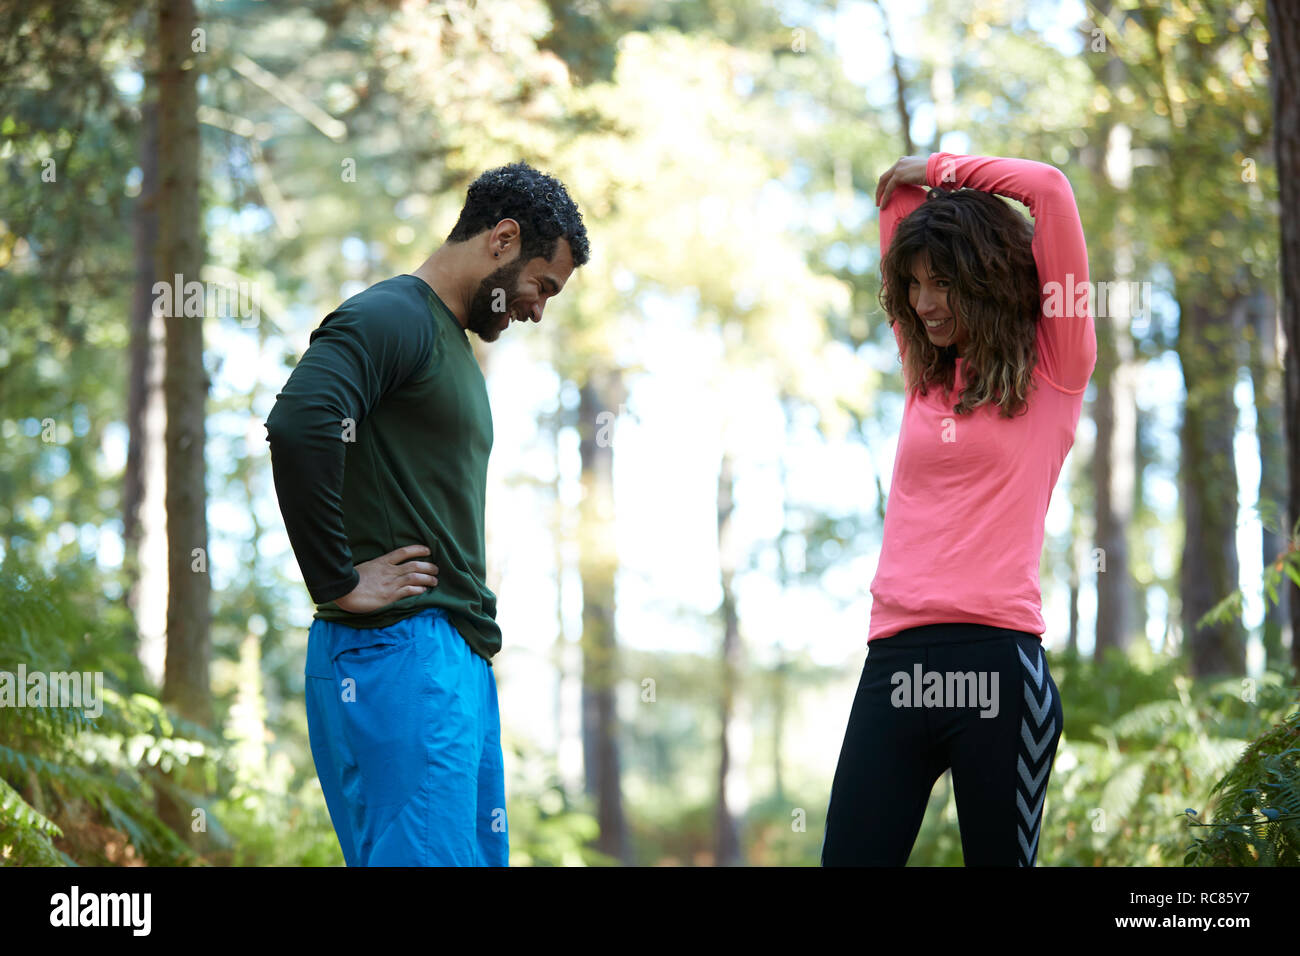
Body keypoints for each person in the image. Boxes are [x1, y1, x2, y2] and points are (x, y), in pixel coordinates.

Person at [264, 161, 589, 866]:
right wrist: (337, 580)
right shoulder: (395, 315)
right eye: (543, 286)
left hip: (453, 657)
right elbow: (301, 422)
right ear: (503, 240)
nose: (537, 308)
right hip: (397, 650)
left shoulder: (450, 344)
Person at [821, 152, 1096, 866]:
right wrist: (908, 193)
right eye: (913, 284)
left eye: (942, 282)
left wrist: (943, 167)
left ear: (987, 278)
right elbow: (897, 202)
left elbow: (1050, 191)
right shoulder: (926, 375)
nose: (924, 302)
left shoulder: (1055, 370)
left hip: (998, 668)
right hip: (897, 665)